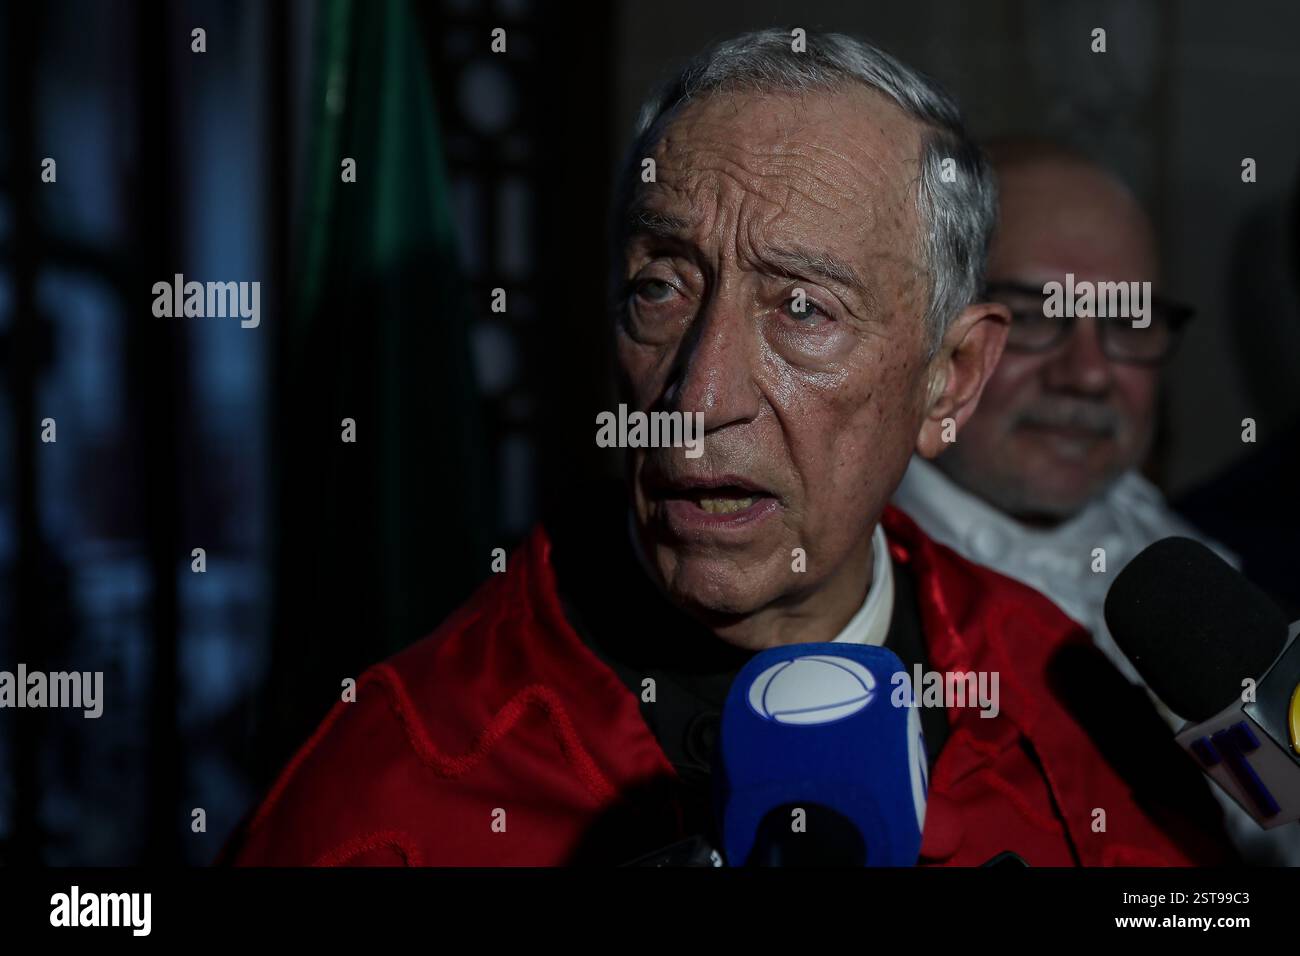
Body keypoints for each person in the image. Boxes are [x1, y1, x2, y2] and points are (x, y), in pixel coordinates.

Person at [223, 31, 1231, 867]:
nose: (698, 396)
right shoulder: (400, 783)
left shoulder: (1064, 701)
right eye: (659, 287)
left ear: (948, 377)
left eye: (802, 307)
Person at [892, 139, 1299, 865]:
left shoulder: (1203, 582)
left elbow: (1275, 818)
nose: (1086, 374)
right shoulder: (848, 600)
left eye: (1127, 320)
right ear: (930, 327)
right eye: (1033, 315)